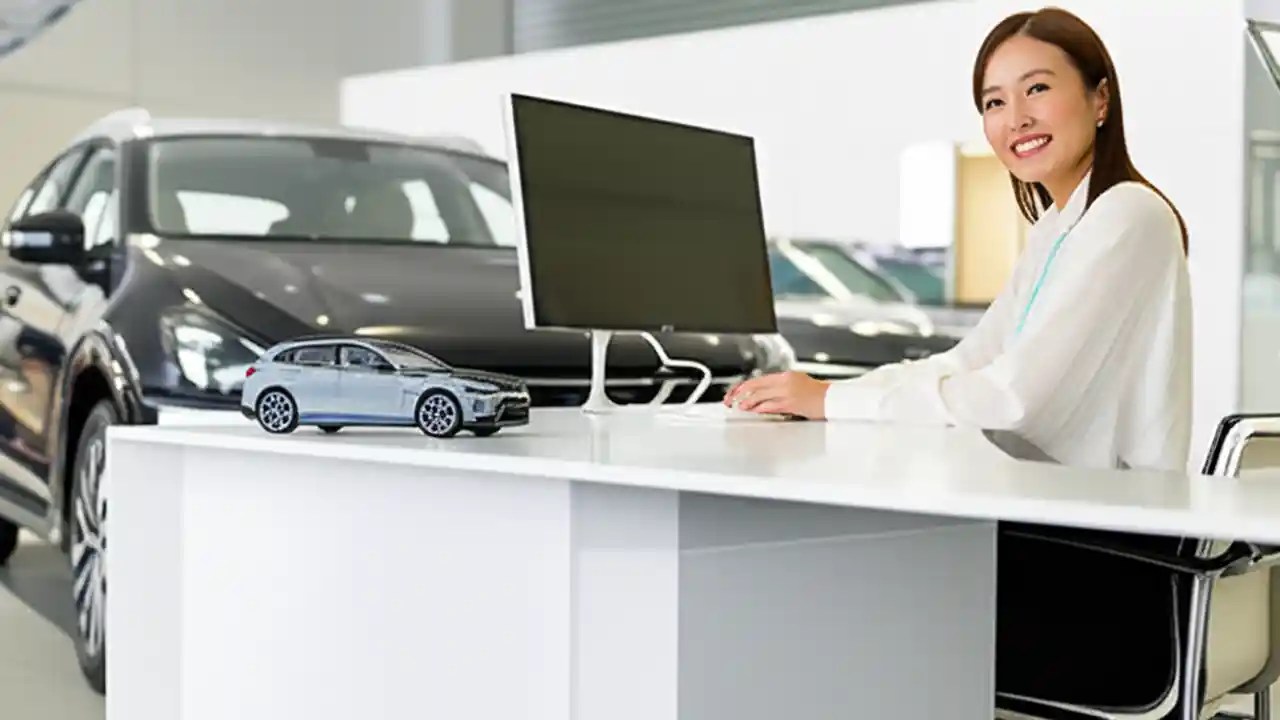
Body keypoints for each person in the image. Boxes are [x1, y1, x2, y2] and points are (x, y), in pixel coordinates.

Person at [724, 7, 1192, 472]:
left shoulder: (1128, 213)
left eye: (1037, 89)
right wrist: (831, 394)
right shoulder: (1056, 227)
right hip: (1054, 505)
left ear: (1101, 99)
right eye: (995, 103)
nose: (1017, 118)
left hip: (1103, 522)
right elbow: (970, 361)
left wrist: (831, 400)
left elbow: (1013, 398)